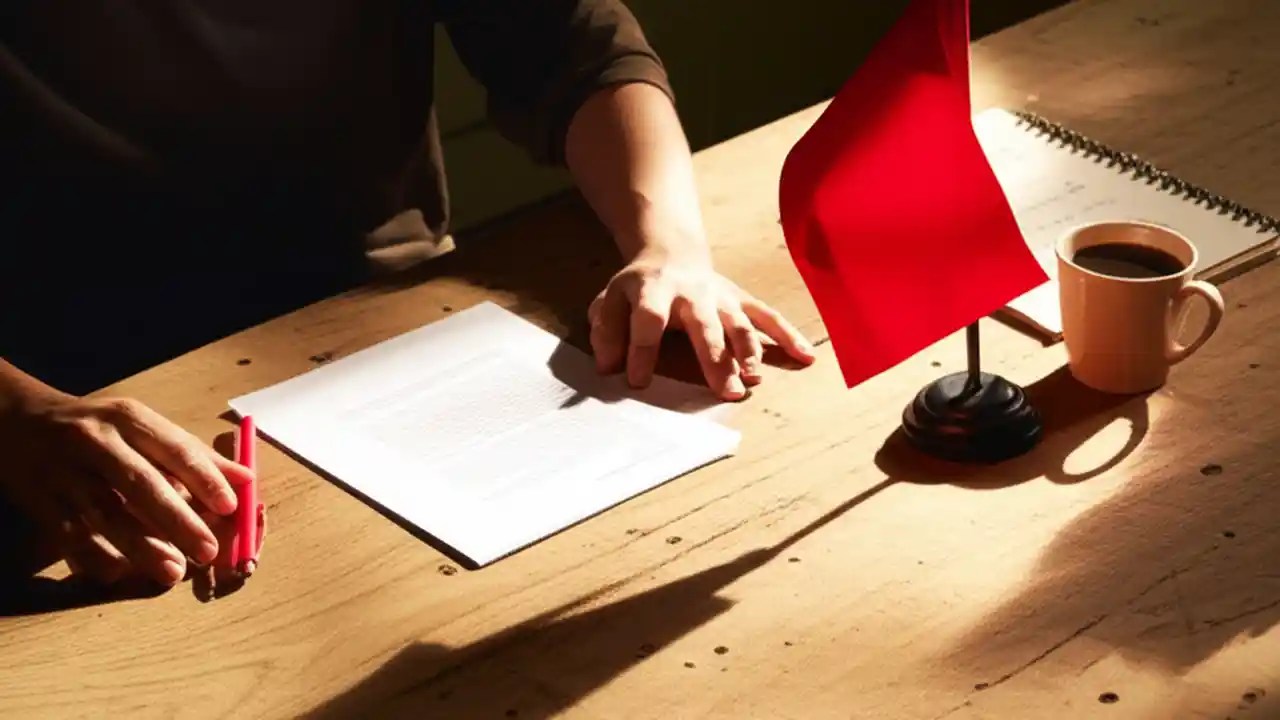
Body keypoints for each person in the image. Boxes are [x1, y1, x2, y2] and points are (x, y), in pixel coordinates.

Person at [0, 2, 816, 589]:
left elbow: (581, 51)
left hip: (387, 328)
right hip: (72, 392)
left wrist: (667, 245)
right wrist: (15, 412)